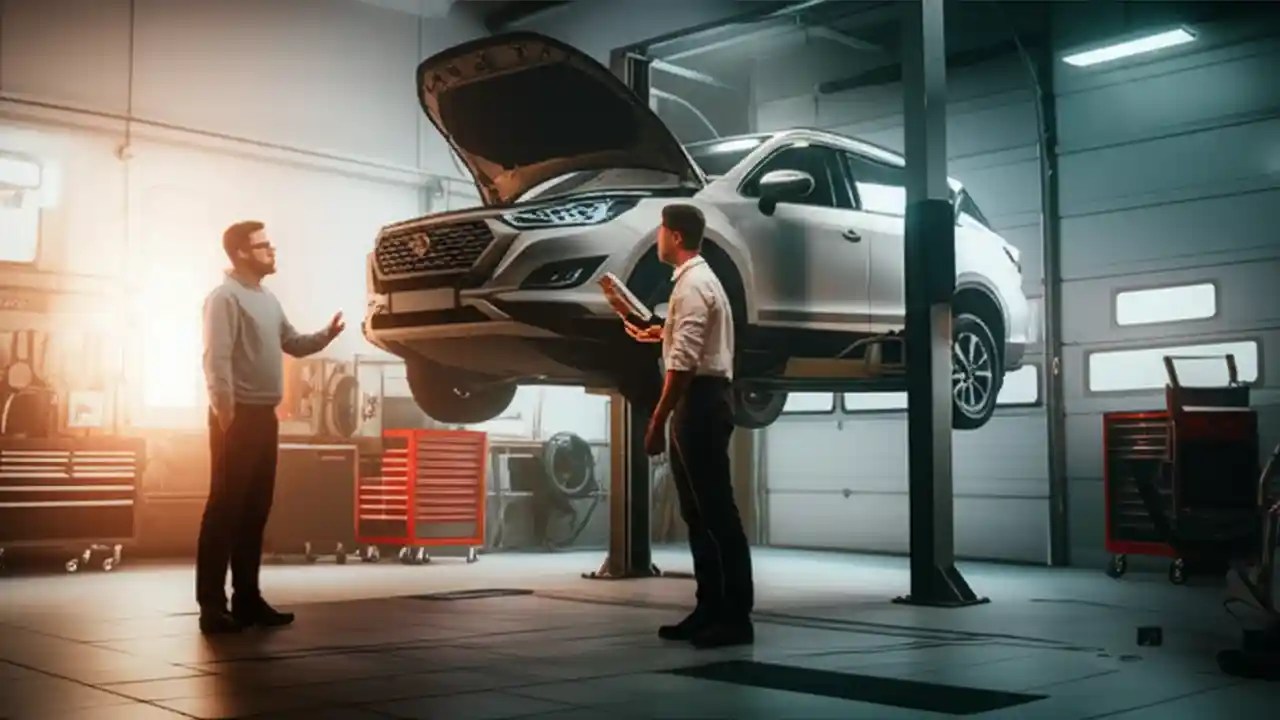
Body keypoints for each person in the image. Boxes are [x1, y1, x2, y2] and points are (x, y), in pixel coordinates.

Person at [196, 220, 344, 635]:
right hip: (236, 417)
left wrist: (326, 337)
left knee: (255, 511)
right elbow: (216, 361)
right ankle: (212, 607)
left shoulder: (268, 300)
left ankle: (247, 600)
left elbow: (292, 342)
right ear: (242, 253)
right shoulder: (223, 299)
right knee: (224, 510)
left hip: (263, 417)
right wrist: (227, 415)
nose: (272, 252)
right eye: (263, 247)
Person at [621, 203, 755, 649]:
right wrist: (657, 331)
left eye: (661, 230)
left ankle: (736, 618)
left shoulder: (695, 284)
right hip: (698, 401)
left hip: (699, 402)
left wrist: (658, 420)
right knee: (698, 515)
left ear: (675, 236)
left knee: (717, 513)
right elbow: (685, 340)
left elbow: (684, 362)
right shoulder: (695, 282)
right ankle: (709, 609)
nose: (657, 237)